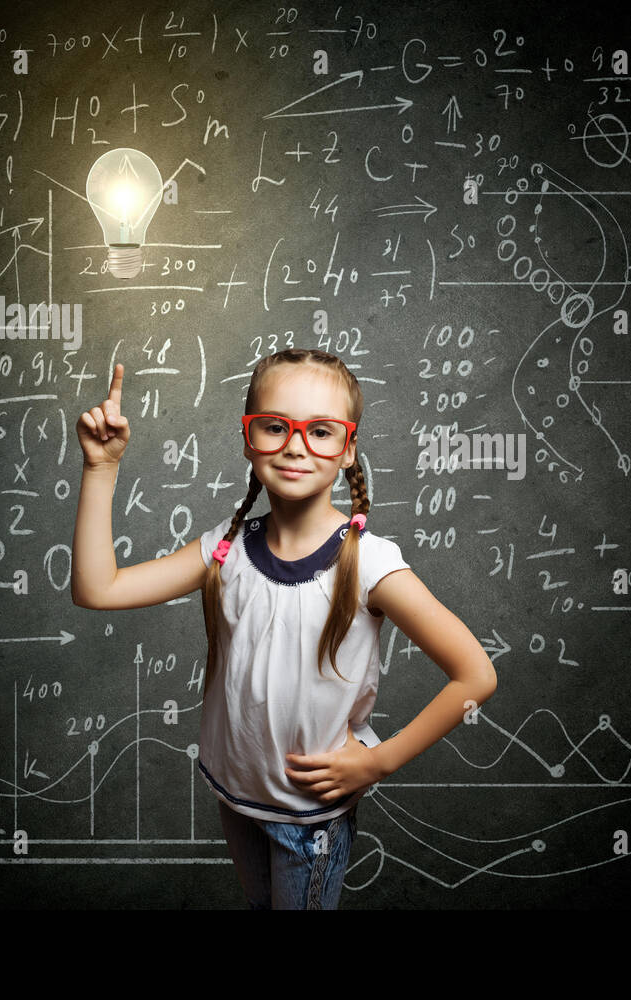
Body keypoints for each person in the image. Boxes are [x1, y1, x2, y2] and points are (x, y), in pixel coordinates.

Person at [71, 348, 497, 909]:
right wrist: (101, 469)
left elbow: (475, 676)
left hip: (310, 819)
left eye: (321, 431)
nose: (295, 445)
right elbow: (97, 588)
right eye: (275, 426)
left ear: (347, 450)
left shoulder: (369, 562)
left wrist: (377, 760)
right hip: (237, 797)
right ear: (249, 439)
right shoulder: (224, 549)